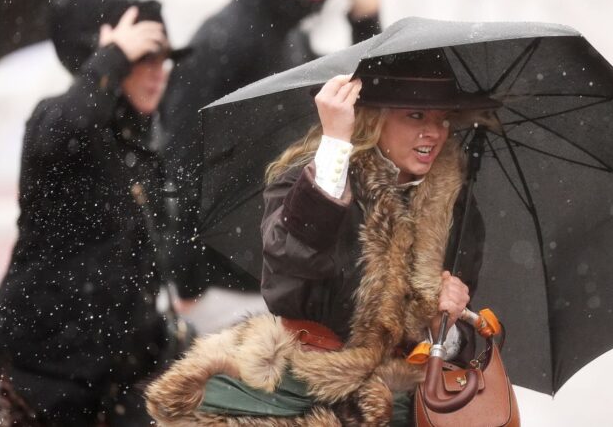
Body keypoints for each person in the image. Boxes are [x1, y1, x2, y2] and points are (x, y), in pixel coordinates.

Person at [145, 58, 499, 425]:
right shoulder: (311, 180)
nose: (434, 132)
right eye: (416, 116)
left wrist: (449, 326)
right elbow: (287, 275)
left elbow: (471, 343)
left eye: (442, 119)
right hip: (297, 392)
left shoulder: (457, 211)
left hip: (398, 402)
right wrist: (335, 144)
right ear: (373, 117)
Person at [0, 0, 186, 426]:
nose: (158, 73)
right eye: (143, 59)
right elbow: (65, 129)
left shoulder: (140, 143)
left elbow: (134, 267)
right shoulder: (55, 121)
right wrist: (112, 56)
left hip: (113, 380)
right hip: (37, 381)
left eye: (162, 59)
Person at [160, 0, 382, 300]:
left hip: (272, 270)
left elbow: (351, 93)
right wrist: (187, 280)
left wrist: (365, 18)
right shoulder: (224, 41)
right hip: (219, 284)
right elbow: (180, 159)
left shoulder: (289, 39)